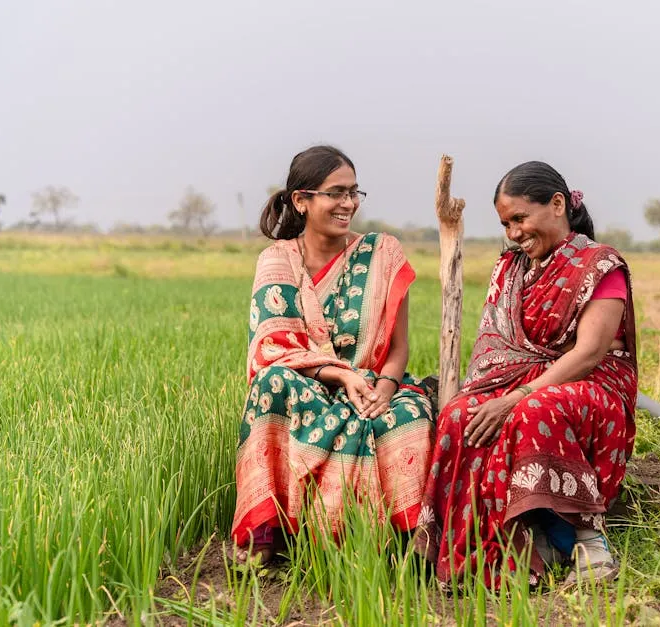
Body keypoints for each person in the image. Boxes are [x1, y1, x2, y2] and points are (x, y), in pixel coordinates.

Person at [415, 161, 638, 587]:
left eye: (520, 218)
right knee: (461, 415)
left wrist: (516, 396)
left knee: (536, 408)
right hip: (526, 382)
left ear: (557, 205)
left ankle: (589, 542)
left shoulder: (599, 265)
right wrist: (501, 395)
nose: (514, 232)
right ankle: (498, 544)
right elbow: (497, 346)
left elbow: (589, 353)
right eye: (506, 224)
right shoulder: (511, 269)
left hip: (591, 387)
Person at [232, 145, 435, 562]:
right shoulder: (277, 261)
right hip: (311, 384)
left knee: (409, 414)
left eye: (354, 192)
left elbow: (398, 348)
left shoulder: (383, 254)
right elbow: (272, 349)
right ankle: (268, 538)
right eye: (336, 193)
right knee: (271, 385)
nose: (348, 204)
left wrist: (386, 385)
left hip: (376, 383)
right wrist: (341, 375)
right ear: (301, 201)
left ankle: (412, 543)